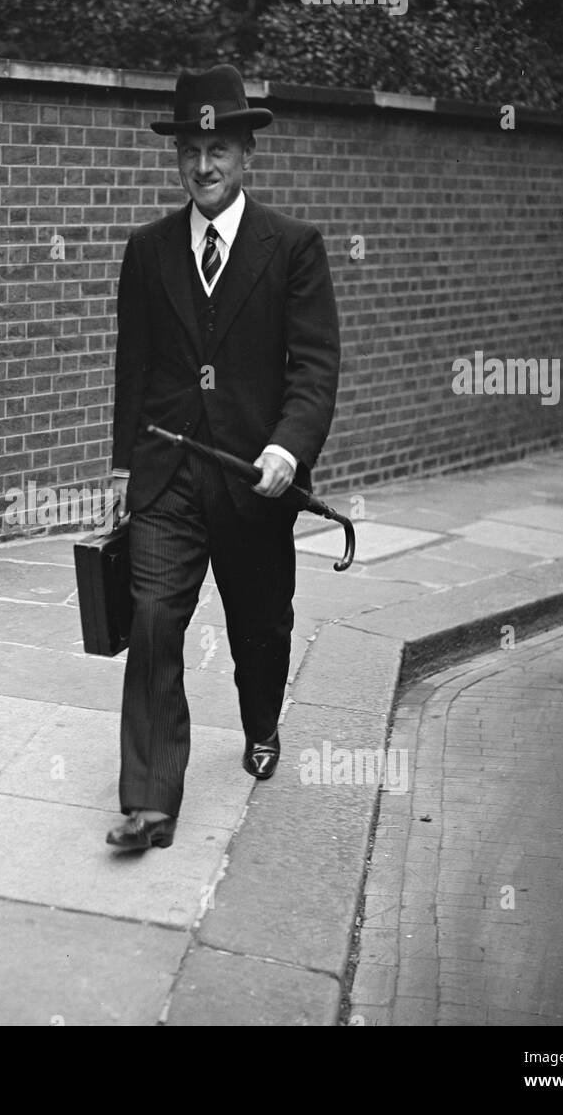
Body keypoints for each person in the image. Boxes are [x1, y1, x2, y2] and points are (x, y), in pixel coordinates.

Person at [105, 65, 341, 851]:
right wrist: (119, 471)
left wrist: (288, 447)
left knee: (259, 629)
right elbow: (132, 370)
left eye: (218, 149)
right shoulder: (147, 252)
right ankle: (148, 800)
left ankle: (261, 721)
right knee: (150, 619)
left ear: (246, 155)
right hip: (168, 475)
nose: (203, 165)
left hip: (253, 480)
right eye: (190, 150)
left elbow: (313, 370)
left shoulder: (293, 249)